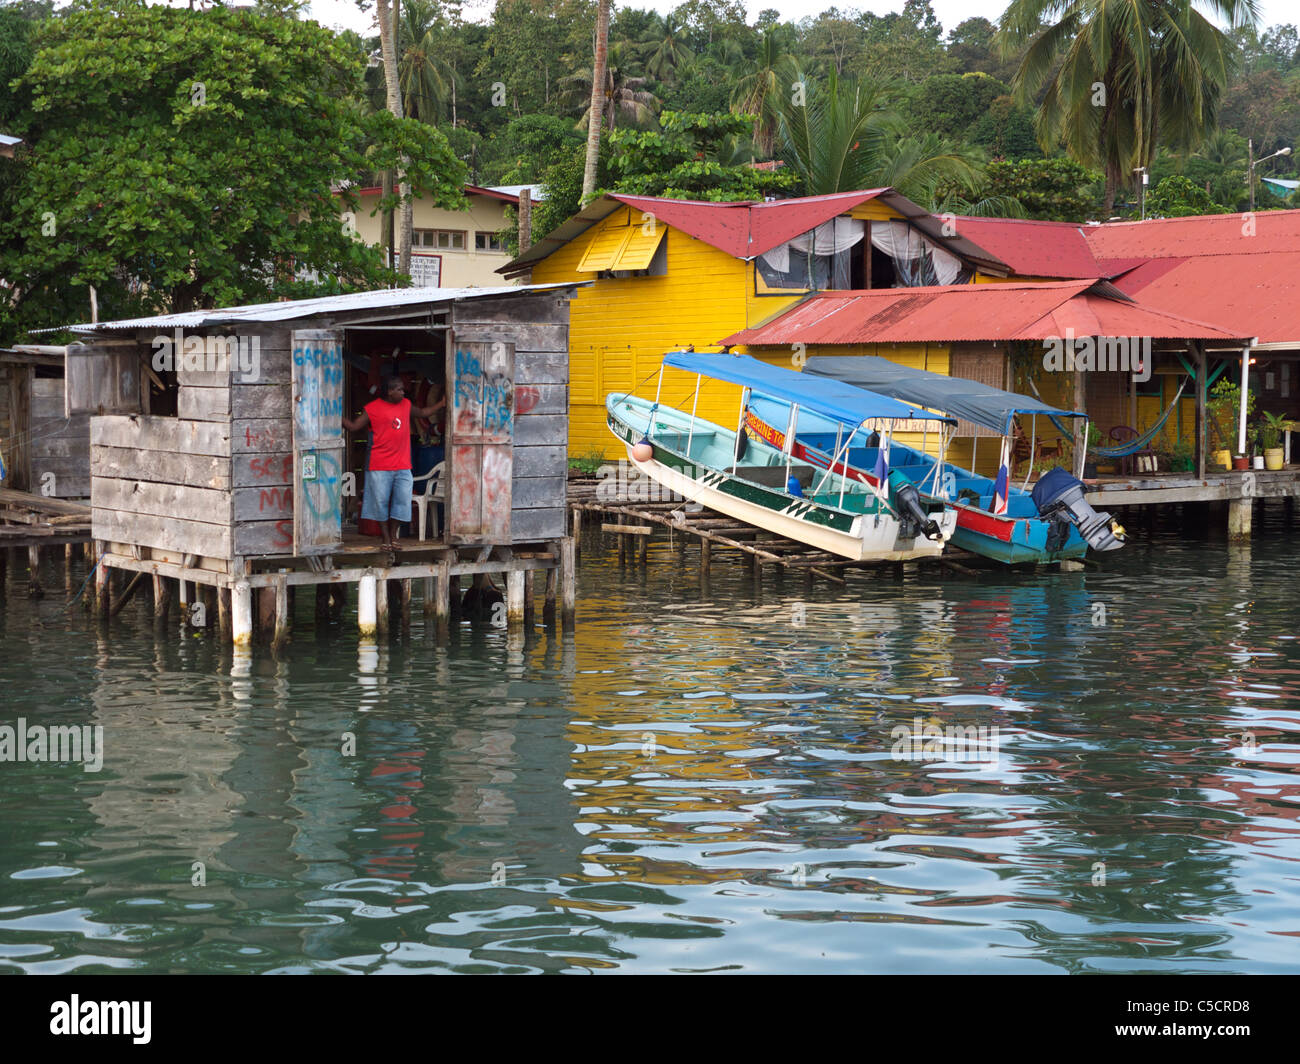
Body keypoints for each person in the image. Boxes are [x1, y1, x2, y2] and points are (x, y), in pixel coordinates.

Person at [343, 374, 445, 551]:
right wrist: (333, 415)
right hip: (379, 465)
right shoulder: (372, 408)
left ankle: (393, 535)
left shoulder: (405, 405)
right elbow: (353, 427)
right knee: (380, 503)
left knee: (402, 501)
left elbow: (422, 413)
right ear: (390, 392)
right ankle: (386, 538)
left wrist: (441, 404)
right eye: (399, 389)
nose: (403, 392)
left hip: (403, 466)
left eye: (402, 388)